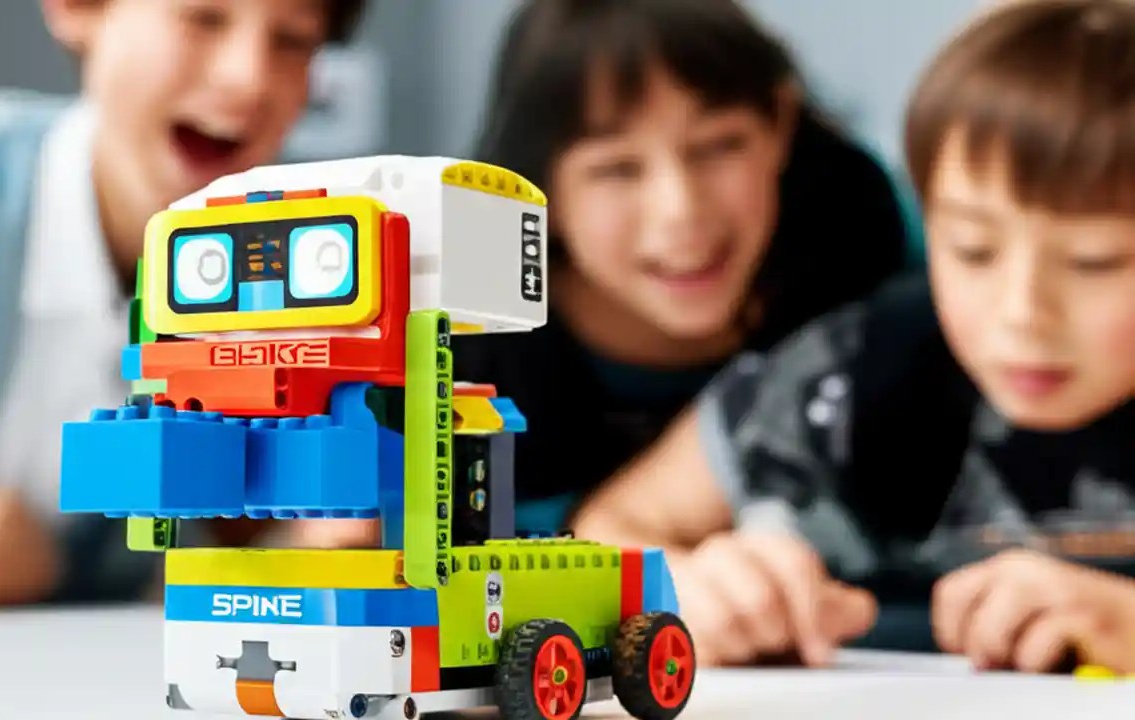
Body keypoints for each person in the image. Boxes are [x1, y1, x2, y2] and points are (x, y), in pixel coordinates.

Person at [572, 0, 1135, 675]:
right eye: (973, 250)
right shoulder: (841, 373)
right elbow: (604, 531)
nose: (1021, 314)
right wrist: (676, 590)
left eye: (1095, 261)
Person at [291, 0, 912, 550]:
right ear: (535, 193)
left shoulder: (864, 232)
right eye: (617, 169)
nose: (682, 212)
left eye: (718, 145)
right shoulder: (456, 339)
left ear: (779, 123)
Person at [0, 0, 366, 607]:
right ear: (78, 9)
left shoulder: (309, 270)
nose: (249, 79)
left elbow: (266, 533)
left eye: (293, 40)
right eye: (203, 18)